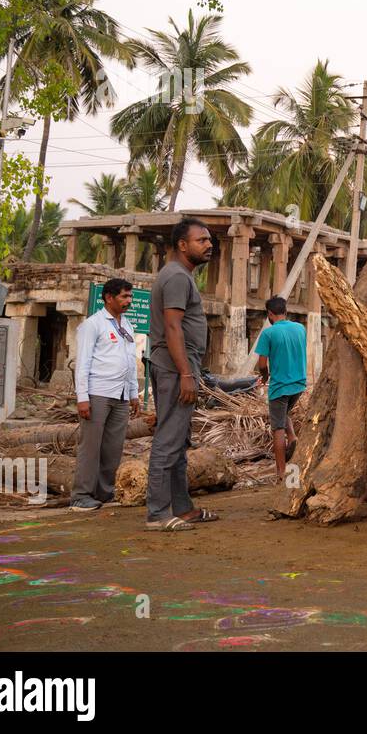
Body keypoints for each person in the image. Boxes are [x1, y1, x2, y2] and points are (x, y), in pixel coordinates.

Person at [146, 218, 216, 531]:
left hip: (180, 367)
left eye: (209, 240)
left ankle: (182, 507)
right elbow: (172, 327)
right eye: (202, 240)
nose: (209, 244)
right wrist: (186, 374)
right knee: (167, 441)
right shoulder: (175, 276)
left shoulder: (181, 276)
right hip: (176, 369)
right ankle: (158, 514)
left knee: (178, 441)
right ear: (182, 245)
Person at [71, 278, 140, 511]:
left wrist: (133, 394)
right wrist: (82, 398)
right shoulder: (93, 324)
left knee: (113, 447)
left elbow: (130, 362)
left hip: (120, 396)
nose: (128, 301)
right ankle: (81, 495)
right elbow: (83, 363)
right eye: (124, 297)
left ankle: (104, 492)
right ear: (109, 298)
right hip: (97, 393)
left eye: (130, 297)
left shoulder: (127, 326)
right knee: (90, 447)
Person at [254, 295, 307, 479]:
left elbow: (262, 364)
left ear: (270, 314)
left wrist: (264, 377)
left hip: (279, 387)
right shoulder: (300, 328)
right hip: (299, 385)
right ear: (285, 310)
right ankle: (292, 437)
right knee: (284, 415)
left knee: (277, 428)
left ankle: (282, 472)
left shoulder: (269, 333)